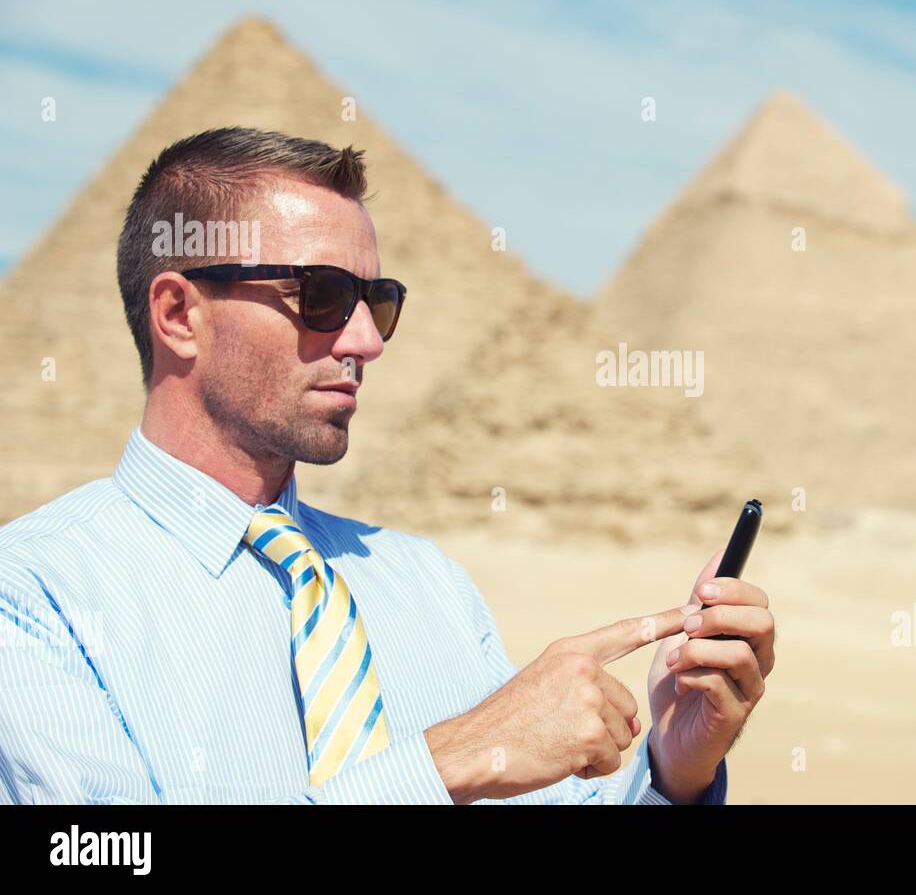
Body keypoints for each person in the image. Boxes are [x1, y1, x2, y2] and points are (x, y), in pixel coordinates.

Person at [0, 128, 776, 804]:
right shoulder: (33, 596)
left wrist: (674, 765)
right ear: (178, 315)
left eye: (378, 300)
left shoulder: (426, 582)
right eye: (323, 294)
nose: (367, 341)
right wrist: (451, 760)